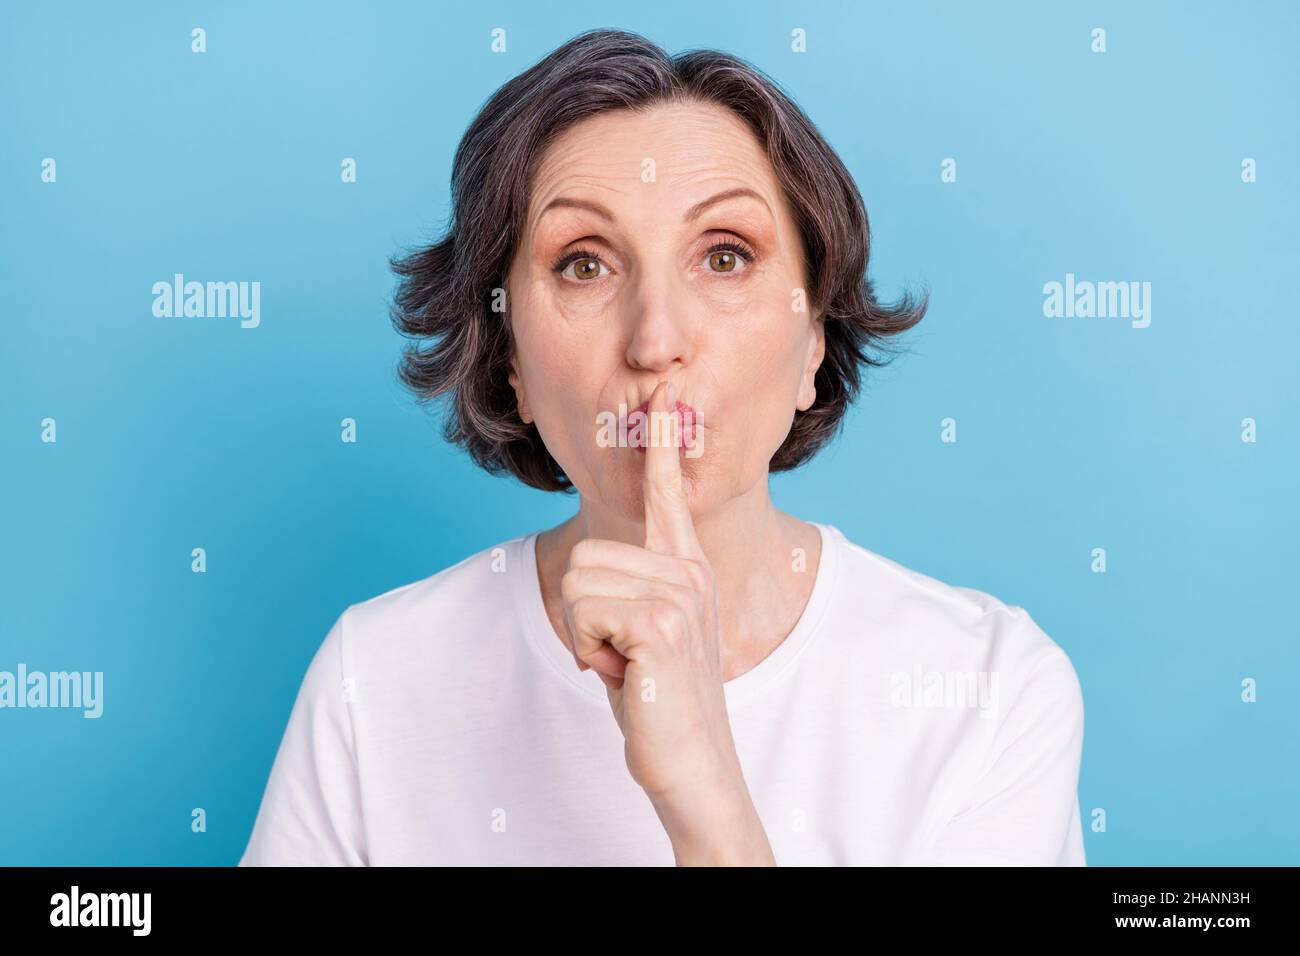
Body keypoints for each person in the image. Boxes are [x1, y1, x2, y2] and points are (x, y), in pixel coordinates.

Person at [239, 28, 1085, 866]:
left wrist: (702, 790)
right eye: (583, 265)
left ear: (814, 342)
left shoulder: (991, 691)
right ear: (510, 367)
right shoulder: (376, 678)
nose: (655, 340)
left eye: (724, 256)